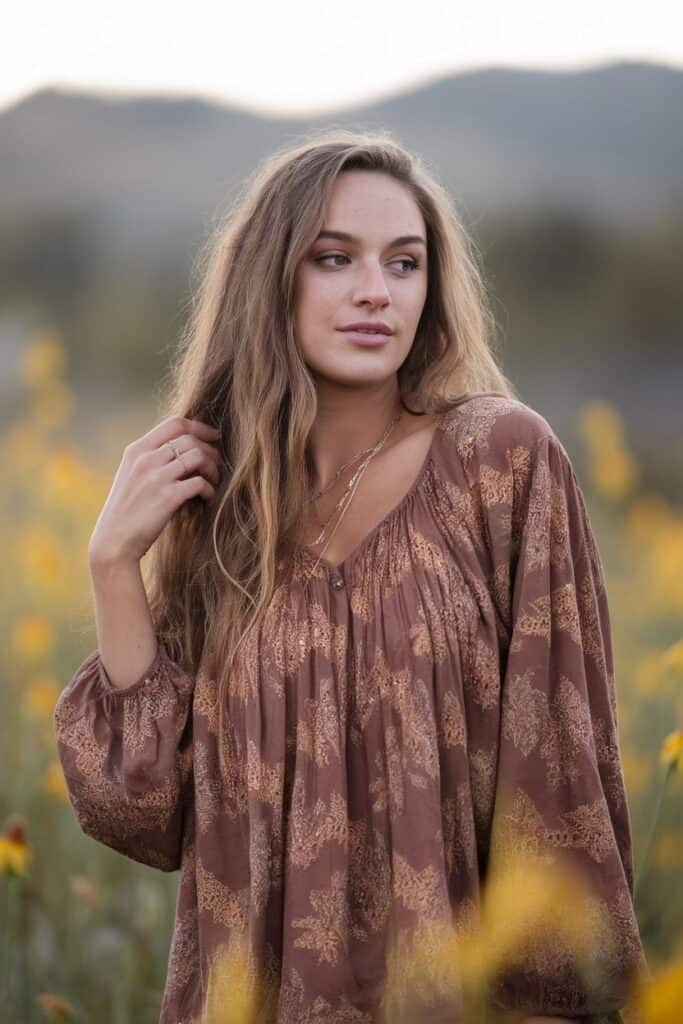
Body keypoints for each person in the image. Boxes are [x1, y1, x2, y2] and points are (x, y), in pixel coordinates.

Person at [53, 129, 647, 1024]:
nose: (376, 291)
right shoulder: (223, 513)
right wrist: (112, 565)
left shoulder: (498, 462)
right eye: (335, 258)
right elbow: (147, 813)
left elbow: (561, 780)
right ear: (273, 279)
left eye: (403, 263)